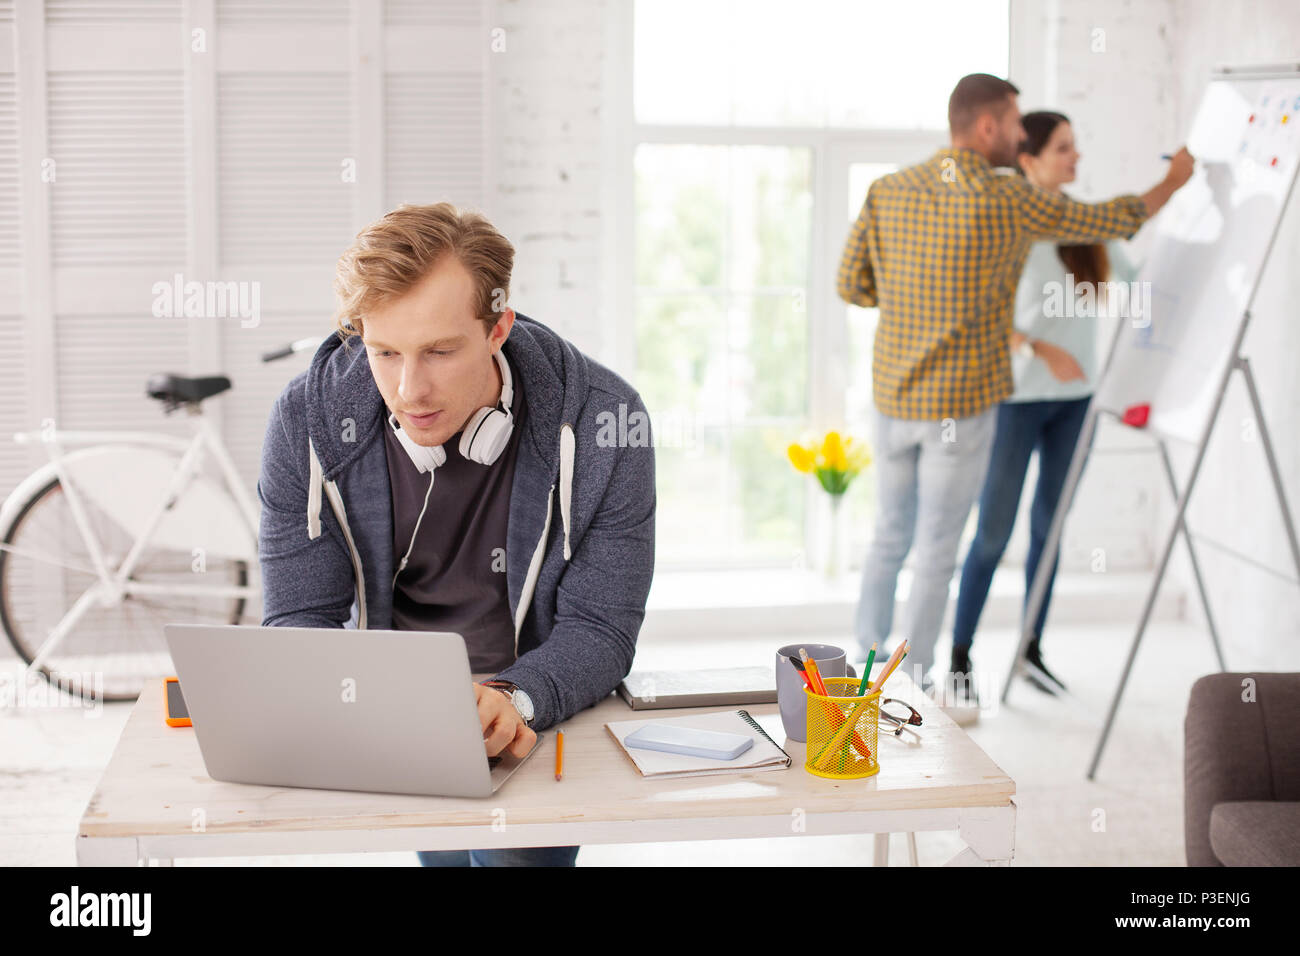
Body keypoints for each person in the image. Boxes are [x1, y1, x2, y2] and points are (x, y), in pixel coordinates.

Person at [256, 203, 656, 866]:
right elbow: (301, 616)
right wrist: (377, 705)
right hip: (401, 717)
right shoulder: (307, 420)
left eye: (441, 351)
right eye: (385, 352)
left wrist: (515, 698)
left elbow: (601, 628)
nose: (410, 391)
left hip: (541, 693)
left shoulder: (606, 421)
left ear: (499, 326)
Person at [835, 74, 1193, 699]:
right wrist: (1174, 182)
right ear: (987, 127)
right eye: (1015, 121)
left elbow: (852, 286)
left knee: (889, 535)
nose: (1021, 133)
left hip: (893, 398)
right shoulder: (1006, 201)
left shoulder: (888, 189)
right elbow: (1109, 218)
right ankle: (909, 690)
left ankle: (857, 678)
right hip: (960, 407)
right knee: (937, 550)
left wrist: (908, 300)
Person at [949, 111, 1143, 704]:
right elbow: (974, 311)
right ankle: (959, 659)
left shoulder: (1086, 223)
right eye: (1064, 149)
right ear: (1028, 159)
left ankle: (1031, 648)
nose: (1076, 158)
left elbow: (1138, 287)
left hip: (1075, 406)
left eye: (1075, 147)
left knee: (1050, 530)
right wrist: (1038, 346)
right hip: (1015, 402)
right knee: (993, 535)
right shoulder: (1005, 226)